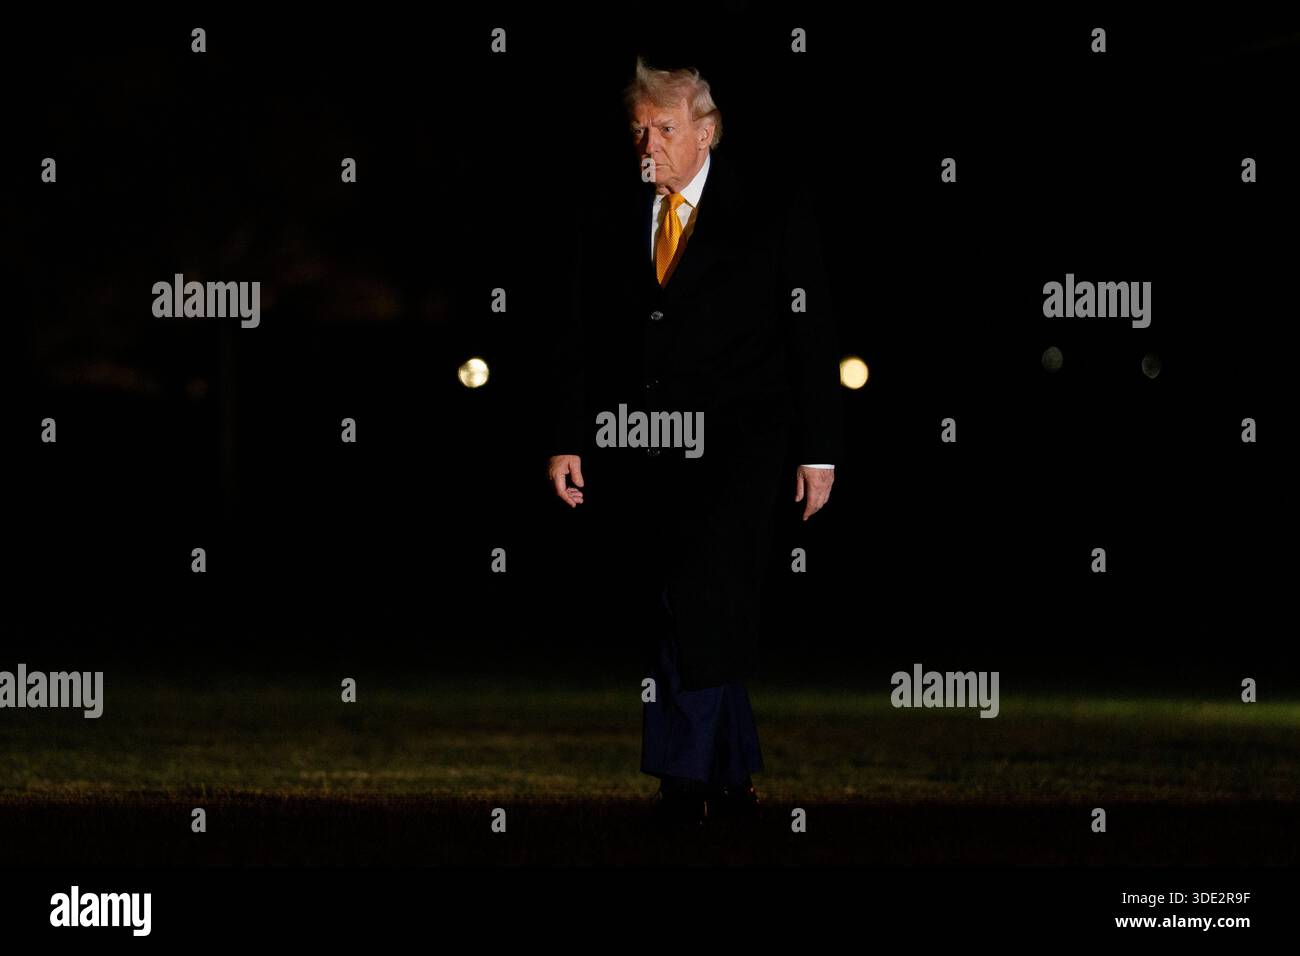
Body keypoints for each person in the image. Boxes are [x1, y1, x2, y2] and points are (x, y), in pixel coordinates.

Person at [546, 56, 843, 826]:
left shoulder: (770, 209)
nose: (649, 145)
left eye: (666, 129)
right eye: (639, 130)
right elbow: (579, 333)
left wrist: (818, 449)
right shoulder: (610, 212)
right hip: (641, 448)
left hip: (741, 448)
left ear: (706, 133)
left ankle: (682, 784)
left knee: (695, 596)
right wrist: (568, 438)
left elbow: (810, 335)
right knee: (687, 607)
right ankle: (731, 778)